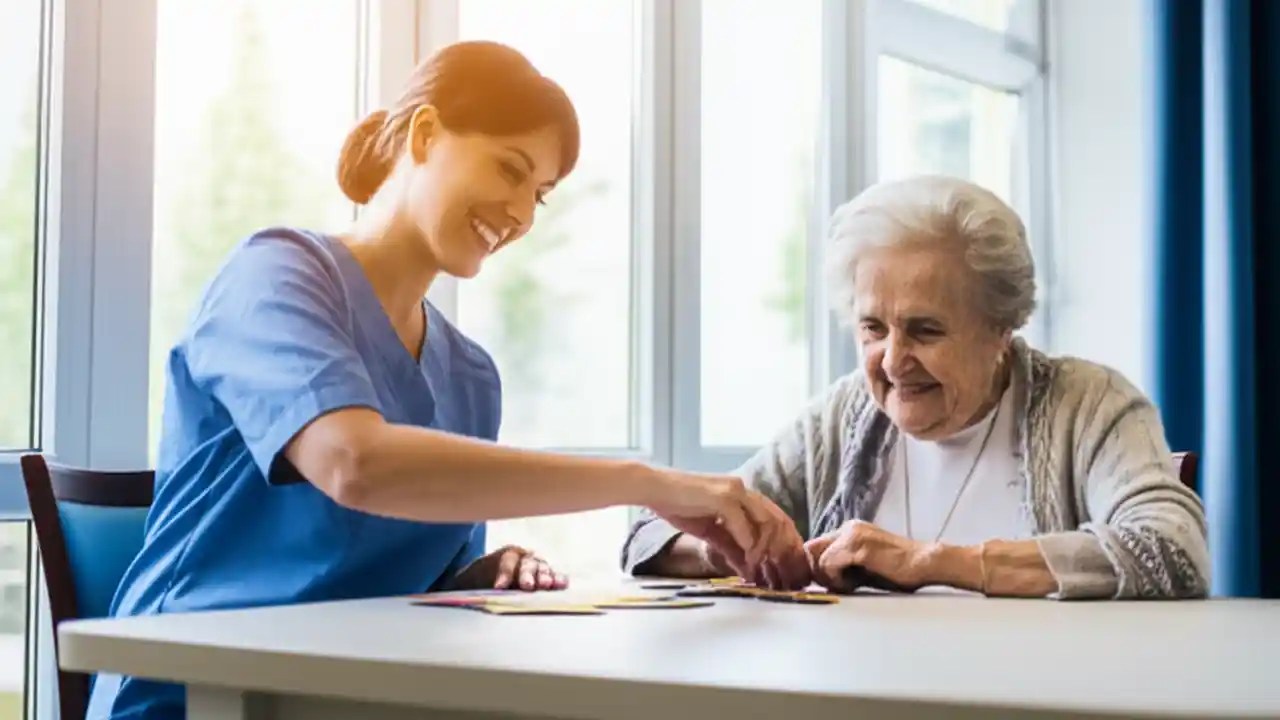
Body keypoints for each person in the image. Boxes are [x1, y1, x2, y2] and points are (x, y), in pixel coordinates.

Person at [88, 41, 801, 720]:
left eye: (541, 194)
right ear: (425, 135)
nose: (522, 214)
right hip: (196, 696)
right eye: (509, 169)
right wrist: (649, 483)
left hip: (349, 697)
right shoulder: (274, 275)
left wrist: (486, 574)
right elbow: (354, 463)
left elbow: (419, 584)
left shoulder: (471, 375)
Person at [622, 175, 1210, 600]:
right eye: (872, 328)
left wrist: (930, 562)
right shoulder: (844, 414)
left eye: (926, 330)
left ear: (1001, 328)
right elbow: (648, 538)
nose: (894, 360)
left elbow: (1172, 549)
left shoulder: (1089, 403)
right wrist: (724, 549)